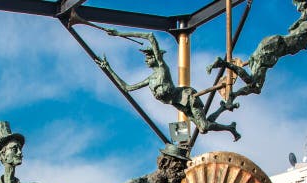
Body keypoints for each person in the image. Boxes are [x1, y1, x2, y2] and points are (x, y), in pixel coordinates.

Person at [208, 0, 307, 110]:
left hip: (271, 45)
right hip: (274, 48)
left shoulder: (302, 23)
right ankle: (225, 67)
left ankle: (230, 89)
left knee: (254, 85)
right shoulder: (305, 25)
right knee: (255, 86)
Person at [96, 31, 240, 141]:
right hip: (180, 105)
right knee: (203, 128)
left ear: (155, 57)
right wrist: (108, 68)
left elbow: (150, 36)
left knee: (204, 126)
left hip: (188, 97)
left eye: (149, 57)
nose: (146, 60)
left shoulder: (162, 67)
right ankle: (223, 108)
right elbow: (127, 88)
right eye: (146, 58)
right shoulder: (150, 79)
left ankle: (230, 127)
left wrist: (119, 33)